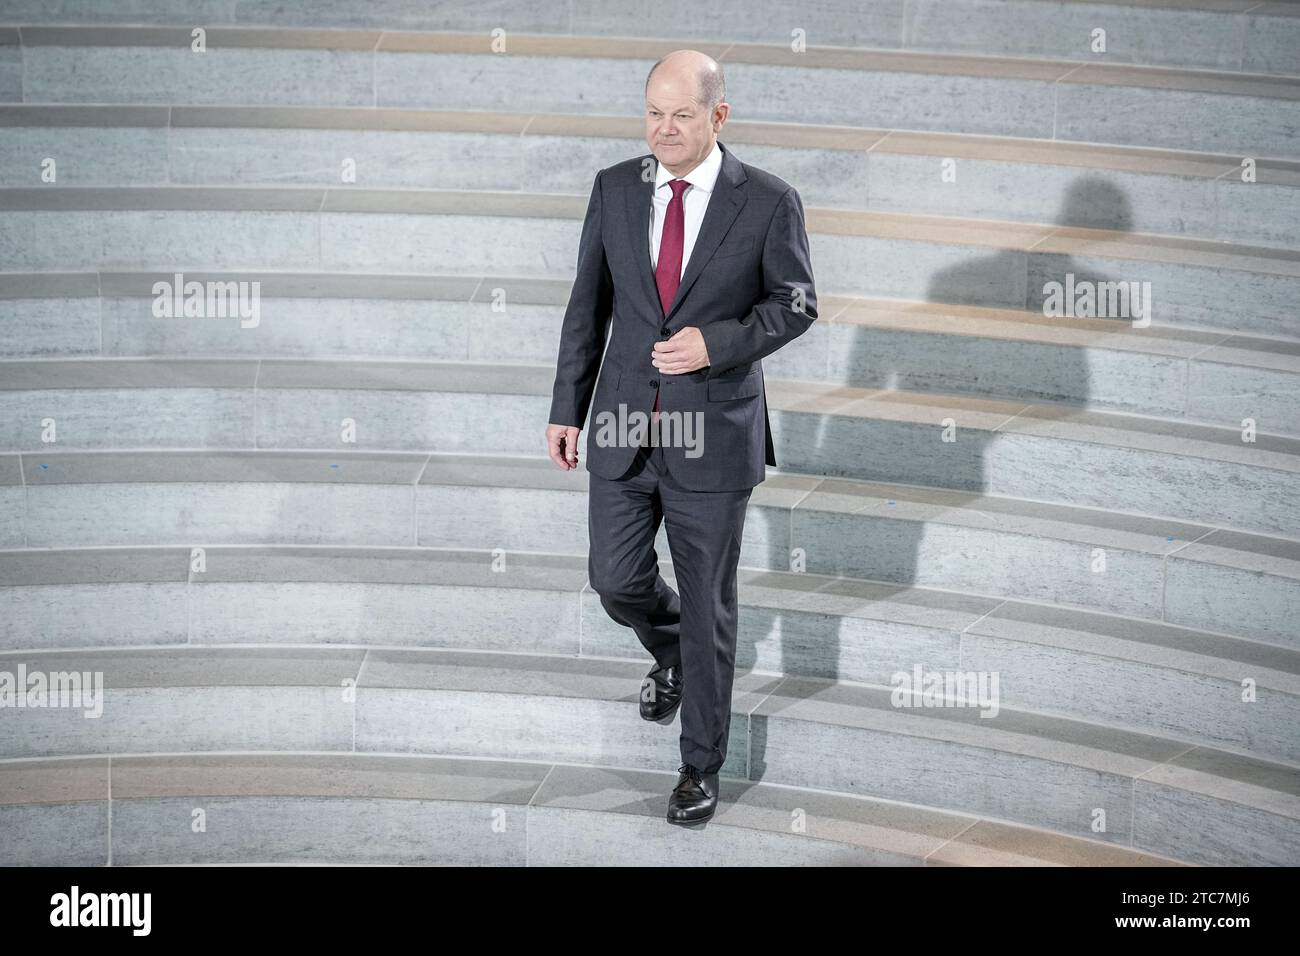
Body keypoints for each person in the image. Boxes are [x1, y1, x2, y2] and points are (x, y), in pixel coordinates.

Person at [545, 49, 817, 825]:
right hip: (623, 422)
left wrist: (717, 343)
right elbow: (585, 306)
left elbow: (796, 303)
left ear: (718, 117)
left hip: (713, 435)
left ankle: (700, 765)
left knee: (708, 607)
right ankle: (671, 654)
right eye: (653, 114)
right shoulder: (614, 189)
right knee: (614, 579)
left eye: (682, 115)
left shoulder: (766, 201)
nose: (664, 130)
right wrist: (567, 407)